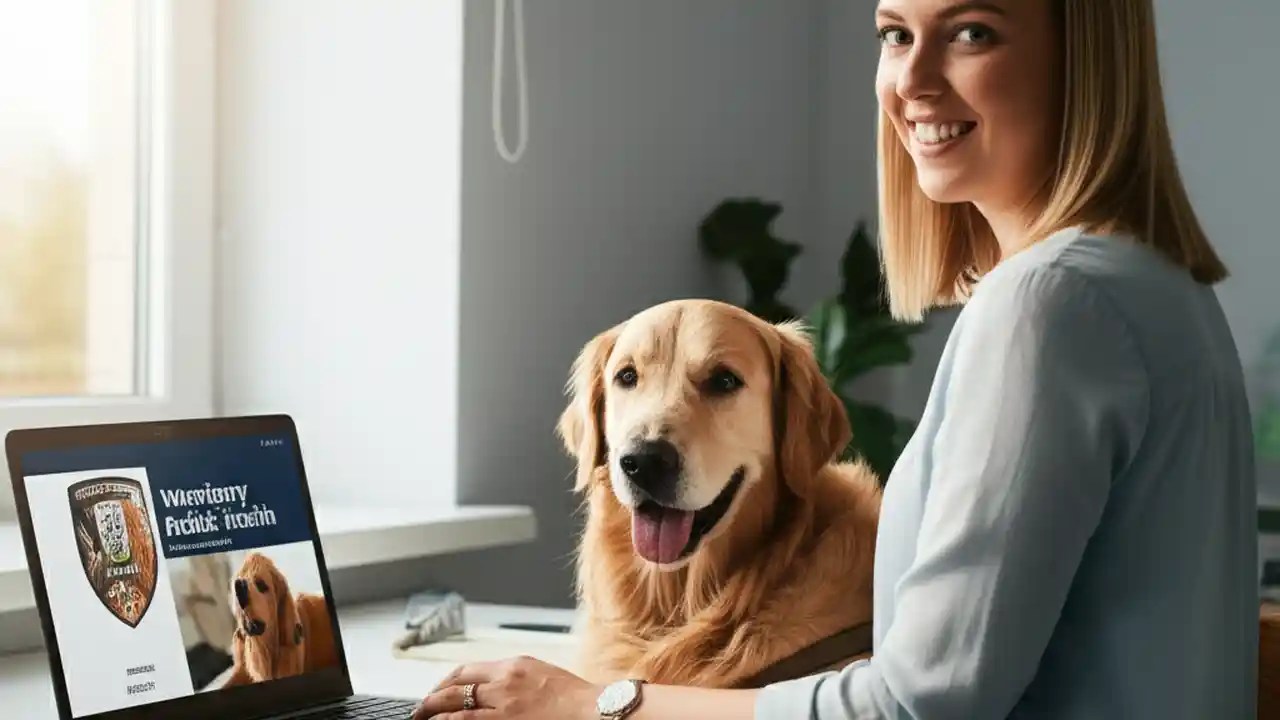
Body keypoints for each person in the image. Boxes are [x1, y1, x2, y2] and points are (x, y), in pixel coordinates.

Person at [413, 0, 1259, 717]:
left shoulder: (1053, 303)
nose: (913, 81)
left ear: (1086, 56)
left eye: (970, 33)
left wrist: (599, 701)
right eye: (895, 33)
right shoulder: (1155, 282)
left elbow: (921, 703)